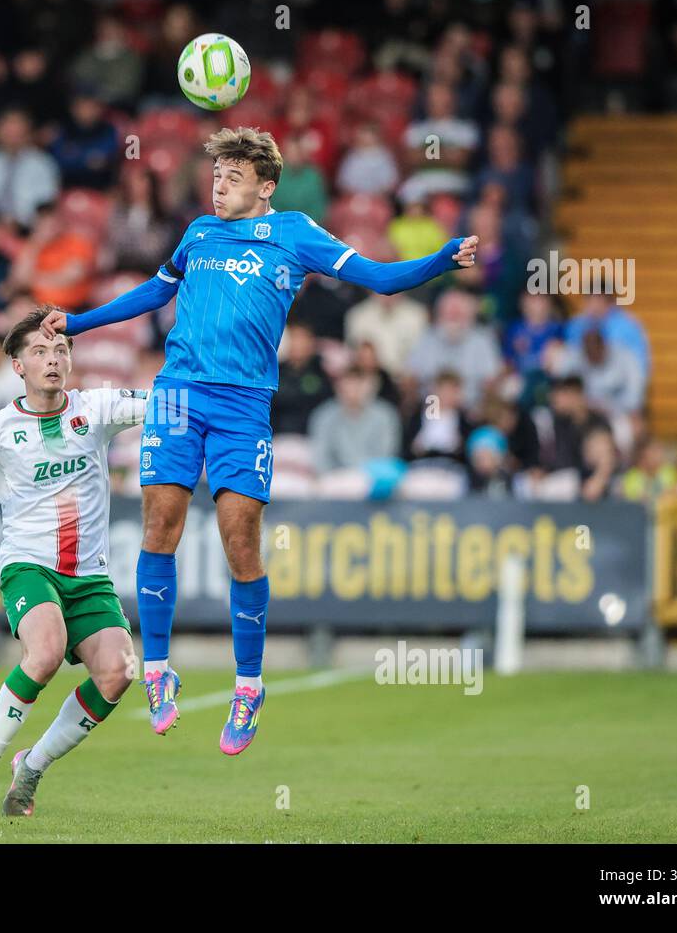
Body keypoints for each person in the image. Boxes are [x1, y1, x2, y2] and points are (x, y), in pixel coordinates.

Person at [39, 126, 477, 754]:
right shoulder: (197, 233)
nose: (218, 186)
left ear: (265, 186)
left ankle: (248, 685)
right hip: (176, 393)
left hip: (244, 405)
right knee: (161, 522)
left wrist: (441, 259)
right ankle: (158, 671)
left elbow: (379, 279)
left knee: (240, 540)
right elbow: (151, 292)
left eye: (233, 178)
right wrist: (76, 323)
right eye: (215, 177)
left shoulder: (296, 233)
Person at [0, 306, 143, 817]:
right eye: (39, 352)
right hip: (29, 565)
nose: (52, 359)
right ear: (17, 366)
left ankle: (31, 766)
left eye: (61, 350)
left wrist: (218, 387)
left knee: (119, 672)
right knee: (45, 652)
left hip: (89, 577)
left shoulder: (94, 409)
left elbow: (170, 406)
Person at [308, 366, 401, 472]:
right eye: (348, 385)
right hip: (335, 478)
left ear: (369, 387)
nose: (352, 391)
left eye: (358, 385)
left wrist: (363, 473)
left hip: (374, 477)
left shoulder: (385, 414)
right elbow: (321, 457)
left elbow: (387, 454)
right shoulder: (323, 415)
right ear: (338, 387)